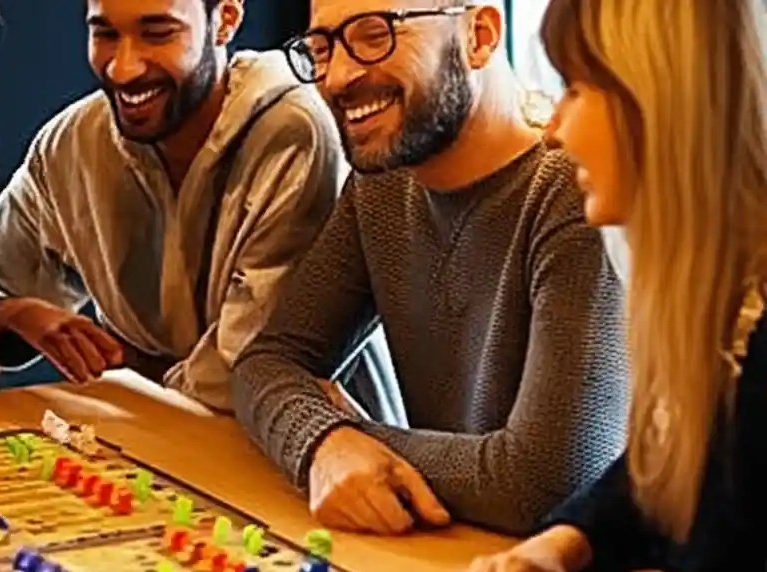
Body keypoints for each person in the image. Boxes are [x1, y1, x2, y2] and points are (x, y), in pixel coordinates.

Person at [421, 0, 767, 572]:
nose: (555, 128)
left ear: (660, 104)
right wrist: (565, 548)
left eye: (577, 89)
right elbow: (669, 464)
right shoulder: (730, 297)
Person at [230, 0, 628, 536]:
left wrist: (349, 431)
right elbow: (265, 363)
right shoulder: (380, 186)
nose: (339, 76)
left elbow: (546, 483)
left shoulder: (578, 193)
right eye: (322, 50)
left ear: (480, 36)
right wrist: (320, 442)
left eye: (375, 35)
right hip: (450, 561)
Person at [0, 0, 401, 416]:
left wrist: (133, 379)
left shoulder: (296, 132)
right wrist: (12, 312)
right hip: (155, 440)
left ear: (226, 21)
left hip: (315, 452)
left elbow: (248, 371)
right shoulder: (74, 141)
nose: (122, 68)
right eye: (105, 33)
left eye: (158, 32)